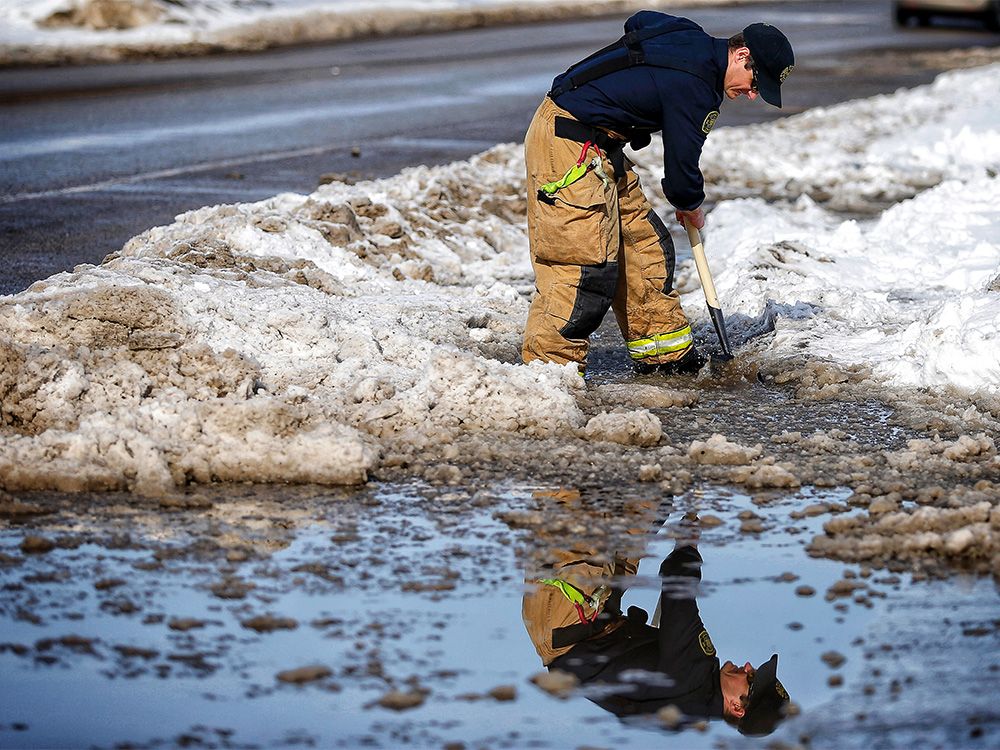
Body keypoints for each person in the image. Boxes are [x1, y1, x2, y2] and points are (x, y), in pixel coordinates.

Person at [521, 11, 794, 375]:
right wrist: (690, 205)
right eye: (755, 82)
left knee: (644, 245)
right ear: (742, 55)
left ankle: (664, 354)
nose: (751, 94)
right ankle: (548, 371)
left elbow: (640, 21)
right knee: (583, 262)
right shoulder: (697, 87)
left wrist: (639, 91)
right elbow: (681, 169)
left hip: (599, 144)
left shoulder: (688, 34)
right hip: (568, 141)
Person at [522, 535, 791, 735]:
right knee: (646, 508)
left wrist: (688, 547)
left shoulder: (695, 672)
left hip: (570, 618)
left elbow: (678, 590)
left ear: (737, 707)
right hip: (583, 623)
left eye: (751, 678)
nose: (747, 666)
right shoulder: (682, 714)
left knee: (579, 512)